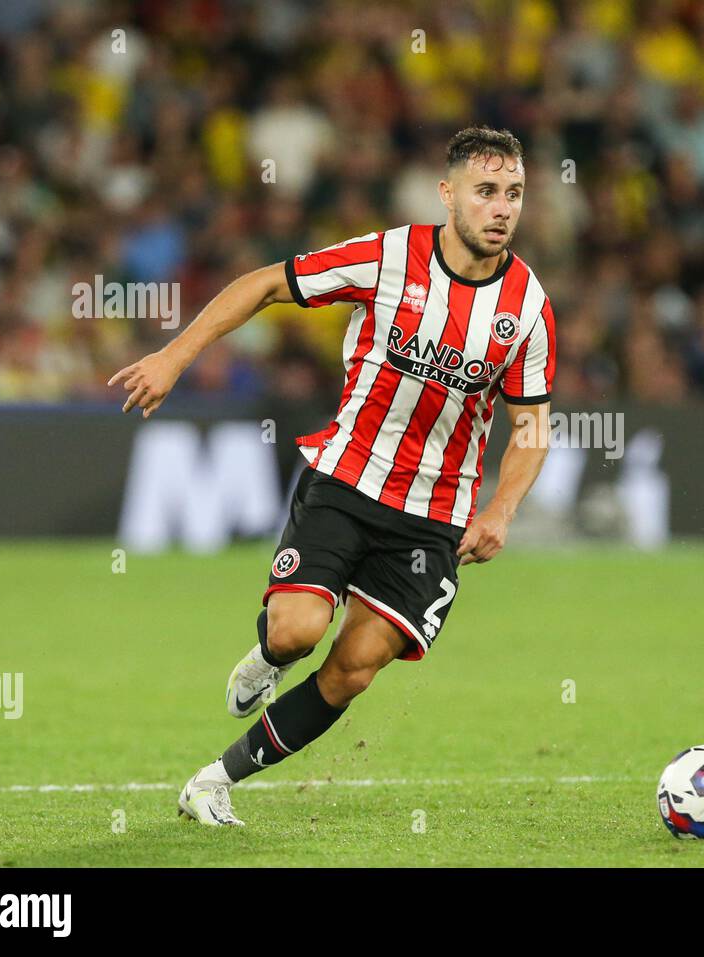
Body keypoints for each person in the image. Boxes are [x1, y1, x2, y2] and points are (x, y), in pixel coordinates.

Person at [108, 127, 555, 825]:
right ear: (448, 196)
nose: (502, 207)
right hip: (346, 478)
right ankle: (267, 652)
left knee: (351, 671)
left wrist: (502, 507)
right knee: (296, 631)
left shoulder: (527, 307)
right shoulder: (386, 258)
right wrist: (173, 357)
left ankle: (213, 781)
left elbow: (531, 424)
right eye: (487, 191)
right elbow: (262, 285)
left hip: (432, 516)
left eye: (515, 194)